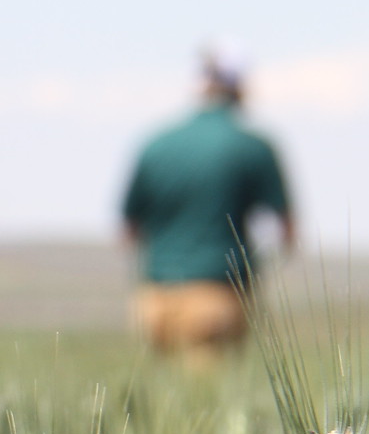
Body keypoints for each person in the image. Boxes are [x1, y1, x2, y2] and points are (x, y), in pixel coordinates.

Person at [121, 48, 295, 367]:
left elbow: (128, 229)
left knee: (164, 404)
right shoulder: (253, 145)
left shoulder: (155, 143)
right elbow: (286, 229)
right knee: (208, 404)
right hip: (216, 299)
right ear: (239, 86)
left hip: (153, 300)